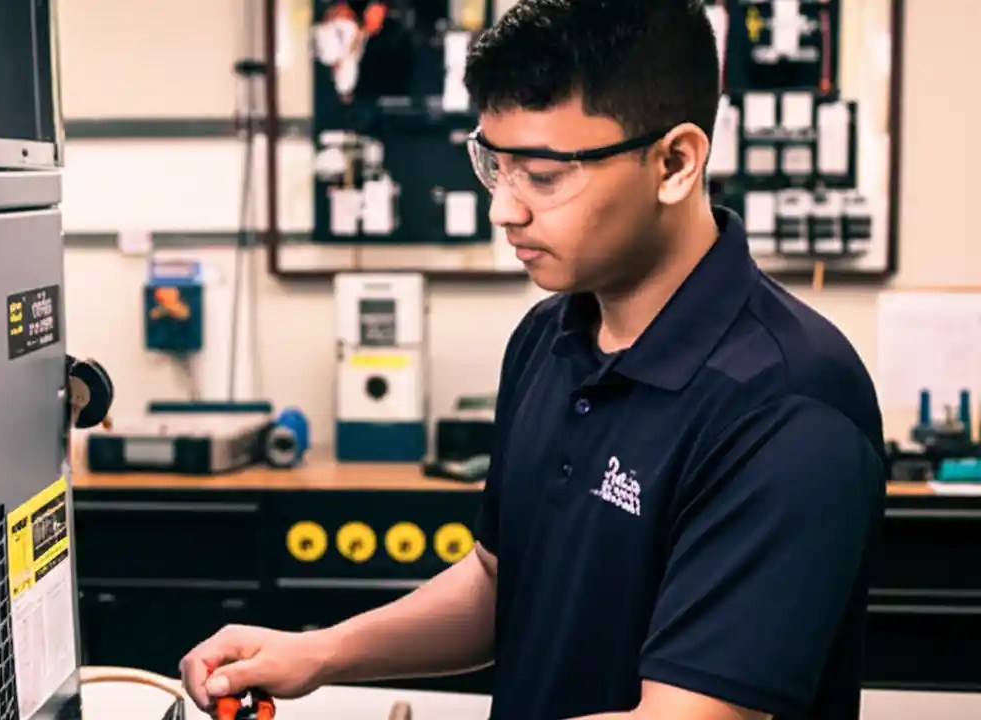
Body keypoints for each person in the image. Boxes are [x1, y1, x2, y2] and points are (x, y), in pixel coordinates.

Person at [180, 1, 887, 718]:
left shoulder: (788, 407)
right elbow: (501, 582)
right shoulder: (548, 340)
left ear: (674, 162)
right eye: (495, 164)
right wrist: (320, 653)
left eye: (544, 176)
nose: (503, 210)